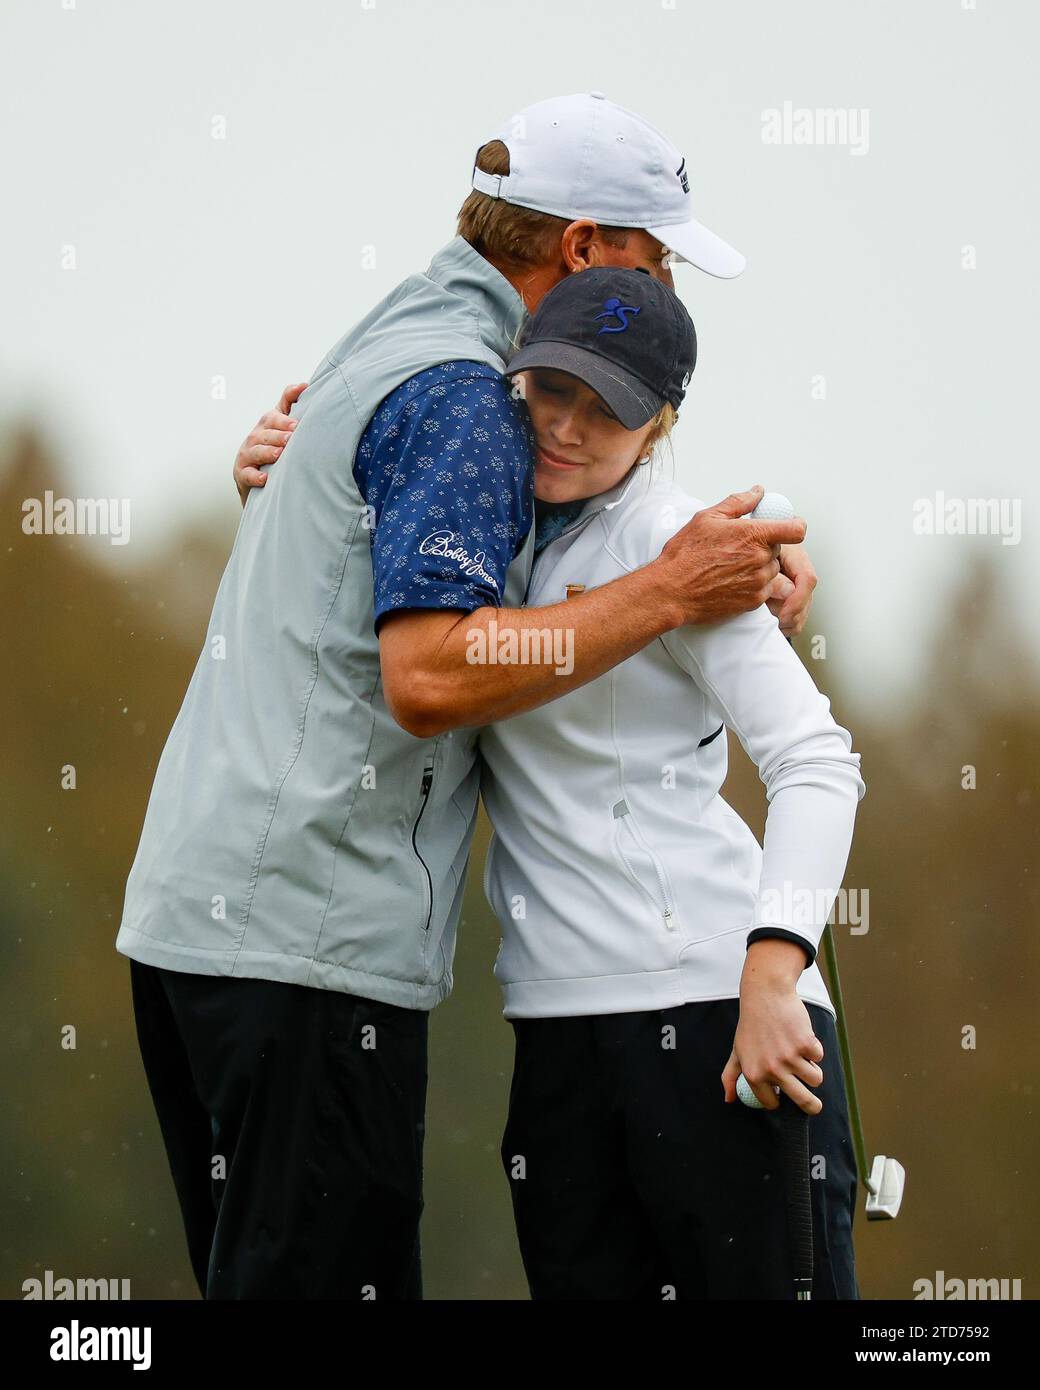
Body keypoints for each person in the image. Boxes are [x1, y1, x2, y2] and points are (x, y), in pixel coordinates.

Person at [120, 92, 815, 1300]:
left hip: (201, 931)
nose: (662, 303)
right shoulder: (461, 393)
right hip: (308, 950)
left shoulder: (392, 337)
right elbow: (431, 673)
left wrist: (732, 552)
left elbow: (561, 466)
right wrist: (667, 588)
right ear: (583, 247)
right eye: (653, 266)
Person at [241, 267, 864, 1301]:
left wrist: (771, 966)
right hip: (559, 1038)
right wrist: (272, 463)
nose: (566, 428)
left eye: (606, 411)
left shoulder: (684, 550)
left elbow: (813, 759)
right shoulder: (487, 529)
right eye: (550, 391)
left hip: (720, 1014)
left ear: (658, 424)